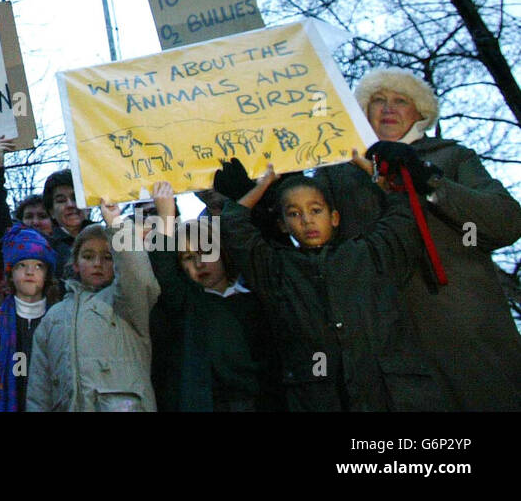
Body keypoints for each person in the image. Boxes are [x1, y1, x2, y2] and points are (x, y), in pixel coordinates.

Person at [315, 67, 521, 410]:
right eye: (377, 100)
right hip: (384, 339)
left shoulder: (451, 157)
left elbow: (505, 221)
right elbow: (305, 234)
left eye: (400, 100)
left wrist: (429, 181)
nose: (388, 108)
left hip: (465, 326)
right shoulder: (338, 171)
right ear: (363, 112)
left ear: (421, 112)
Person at [222, 163, 442, 411]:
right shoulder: (276, 268)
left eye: (315, 210)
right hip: (320, 399)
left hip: (389, 396)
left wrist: (370, 169)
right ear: (283, 224)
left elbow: (405, 210)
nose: (307, 220)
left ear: (334, 217)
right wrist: (263, 185)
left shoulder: (370, 254)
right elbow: (233, 224)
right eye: (294, 214)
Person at [147, 181, 280, 411]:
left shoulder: (255, 301)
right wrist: (166, 216)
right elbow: (164, 270)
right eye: (188, 257)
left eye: (206, 251)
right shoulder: (186, 304)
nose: (199, 263)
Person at [27, 206, 160, 412]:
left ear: (116, 261)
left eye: (107, 257)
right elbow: (38, 390)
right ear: (76, 264)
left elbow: (139, 278)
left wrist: (116, 225)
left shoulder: (127, 302)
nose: (97, 263)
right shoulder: (52, 317)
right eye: (88, 256)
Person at [0, 225, 56, 412]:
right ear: (10, 273)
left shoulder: (58, 319)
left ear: (47, 274)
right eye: (22, 265)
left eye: (38, 266)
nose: (30, 272)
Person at [0, 136, 54, 293]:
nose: (35, 222)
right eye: (28, 217)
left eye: (42, 216)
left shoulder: (64, 251)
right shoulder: (9, 249)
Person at [42, 169, 86, 279]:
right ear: (51, 211)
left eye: (75, 198)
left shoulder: (108, 236)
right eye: (61, 200)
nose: (70, 205)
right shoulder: (45, 248)